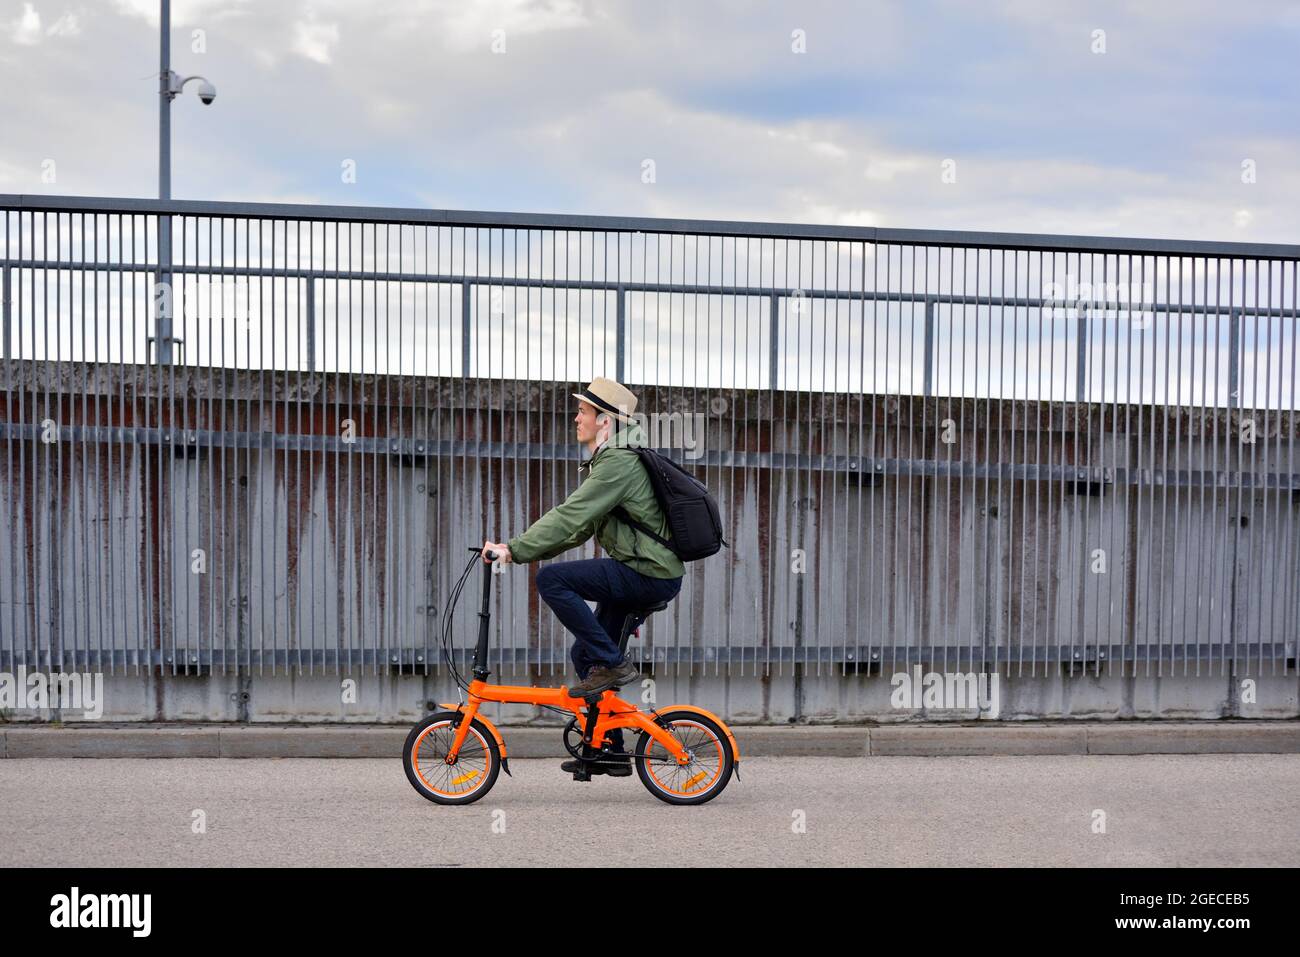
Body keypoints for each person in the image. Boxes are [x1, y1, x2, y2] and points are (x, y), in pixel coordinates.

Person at [481, 376, 684, 777]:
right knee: (583, 655)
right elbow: (578, 529)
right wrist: (518, 551)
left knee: (554, 581)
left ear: (605, 421)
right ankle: (610, 748)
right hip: (644, 571)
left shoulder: (619, 462)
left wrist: (514, 549)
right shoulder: (613, 458)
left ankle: (614, 663)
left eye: (583, 411)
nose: (576, 418)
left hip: (648, 573)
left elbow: (569, 515)